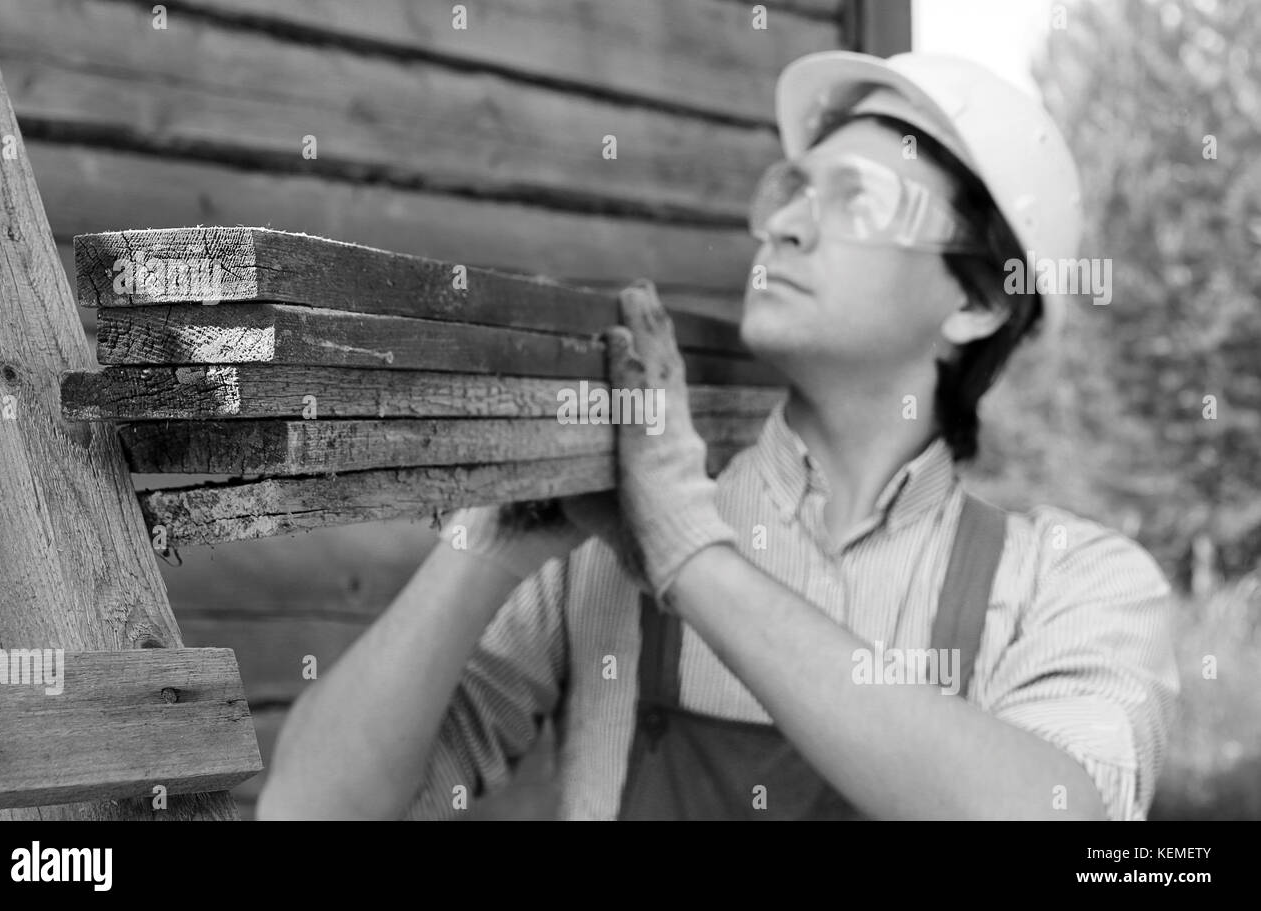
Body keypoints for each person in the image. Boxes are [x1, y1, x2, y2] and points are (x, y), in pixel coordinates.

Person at [258, 51, 1179, 821]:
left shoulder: (1072, 582)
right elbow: (308, 810)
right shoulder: (600, 547)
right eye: (790, 191)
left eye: (853, 198)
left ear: (978, 300)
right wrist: (486, 547)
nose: (781, 226)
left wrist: (690, 555)